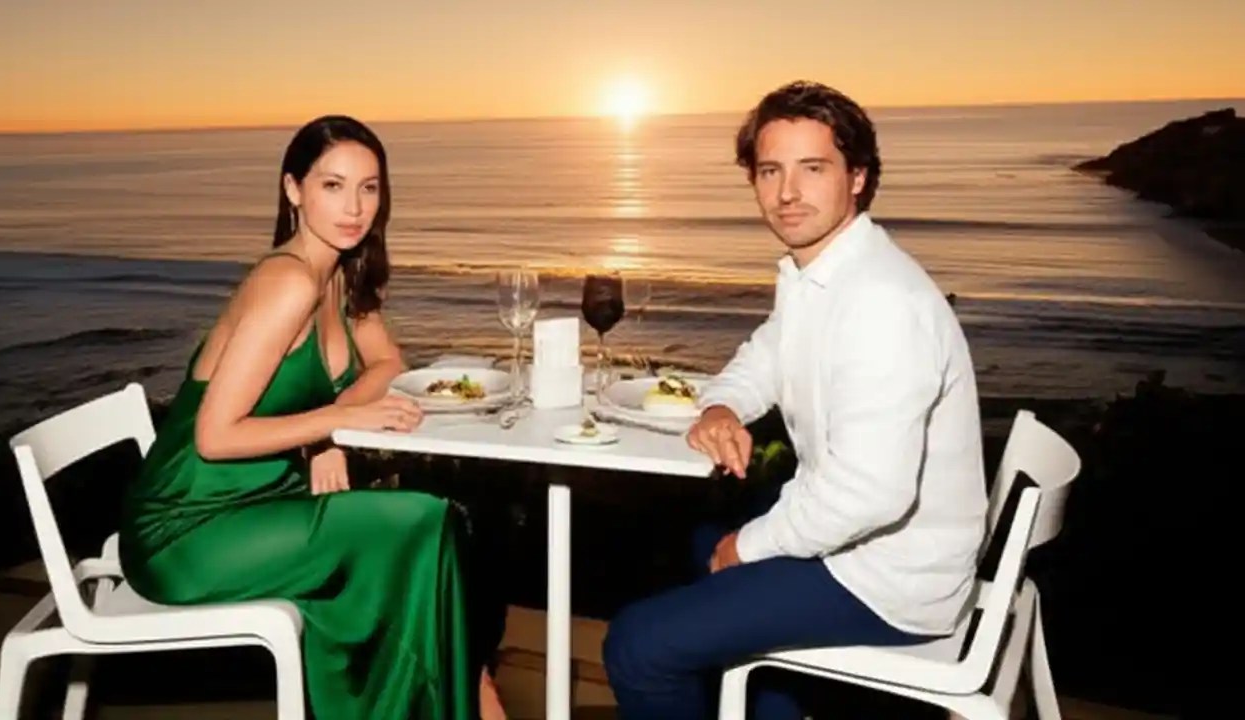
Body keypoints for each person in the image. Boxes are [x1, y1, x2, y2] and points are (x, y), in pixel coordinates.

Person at [601, 81, 989, 719]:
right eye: (770, 170)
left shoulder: (881, 302)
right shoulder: (823, 272)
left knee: (639, 645)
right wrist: (721, 406)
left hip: (888, 580)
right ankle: (772, 702)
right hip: (873, 551)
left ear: (857, 177)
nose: (787, 193)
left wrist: (747, 547)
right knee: (701, 536)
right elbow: (766, 356)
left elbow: (869, 494)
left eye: (813, 169)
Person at [119, 115, 505, 719]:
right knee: (425, 523)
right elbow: (214, 437)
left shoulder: (339, 274)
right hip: (187, 530)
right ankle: (470, 696)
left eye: (369, 187)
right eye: (333, 185)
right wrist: (330, 425)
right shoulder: (289, 283)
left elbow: (387, 363)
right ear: (293, 189)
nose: (354, 207)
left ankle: (464, 690)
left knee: (437, 521)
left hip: (263, 505)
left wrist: (333, 431)